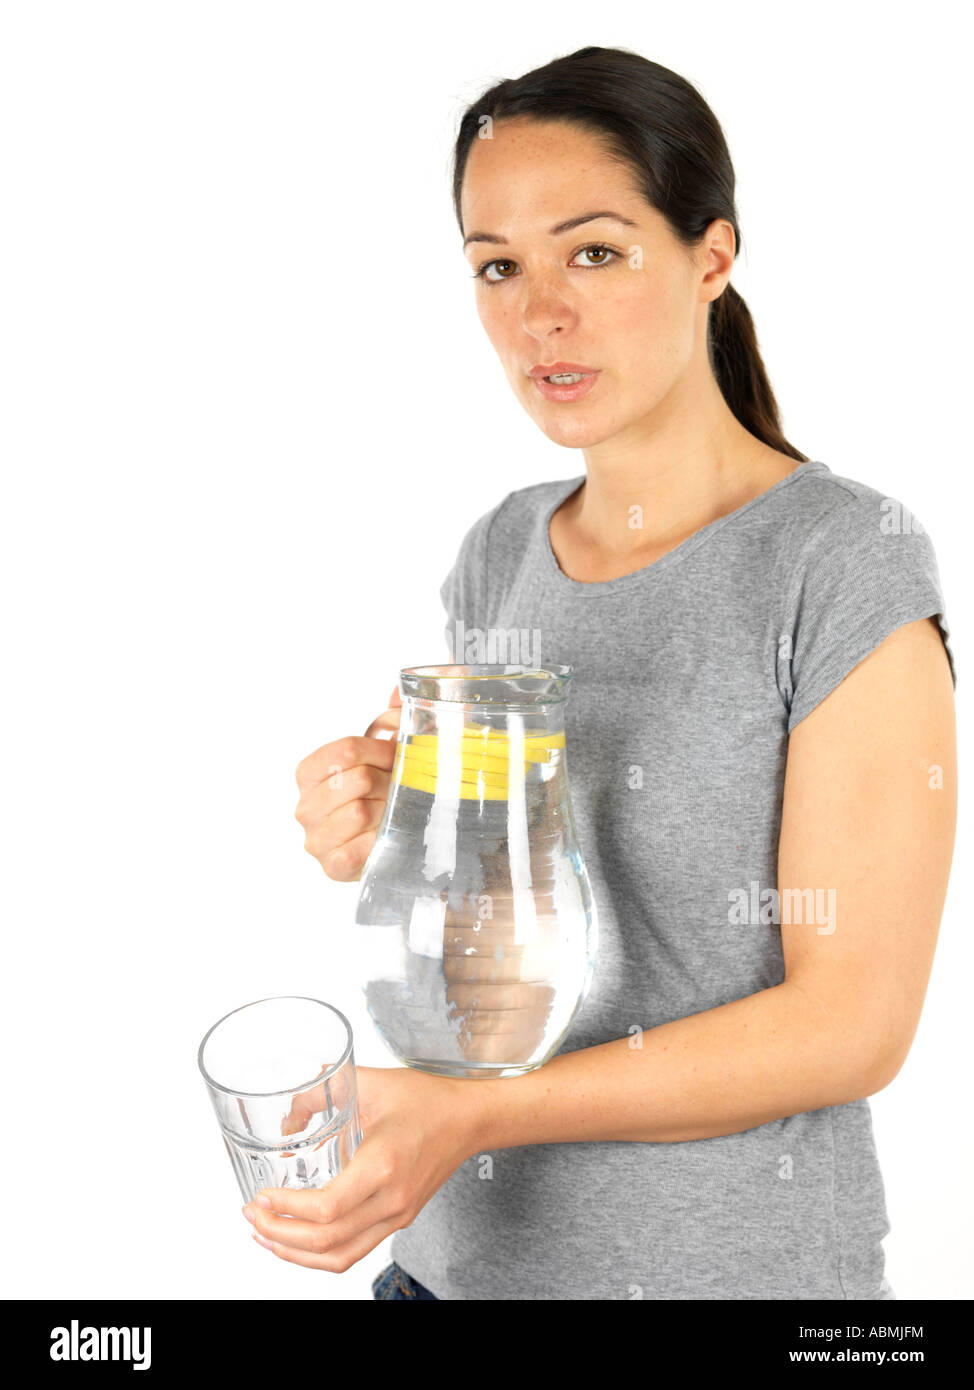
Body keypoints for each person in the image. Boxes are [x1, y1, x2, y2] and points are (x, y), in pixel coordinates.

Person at [243, 46, 957, 1300]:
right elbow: (495, 936)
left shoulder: (840, 559)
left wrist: (465, 1119)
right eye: (496, 267)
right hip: (446, 1271)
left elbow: (849, 1025)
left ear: (711, 257)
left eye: (594, 251)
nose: (538, 314)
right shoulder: (499, 550)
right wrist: (389, 833)